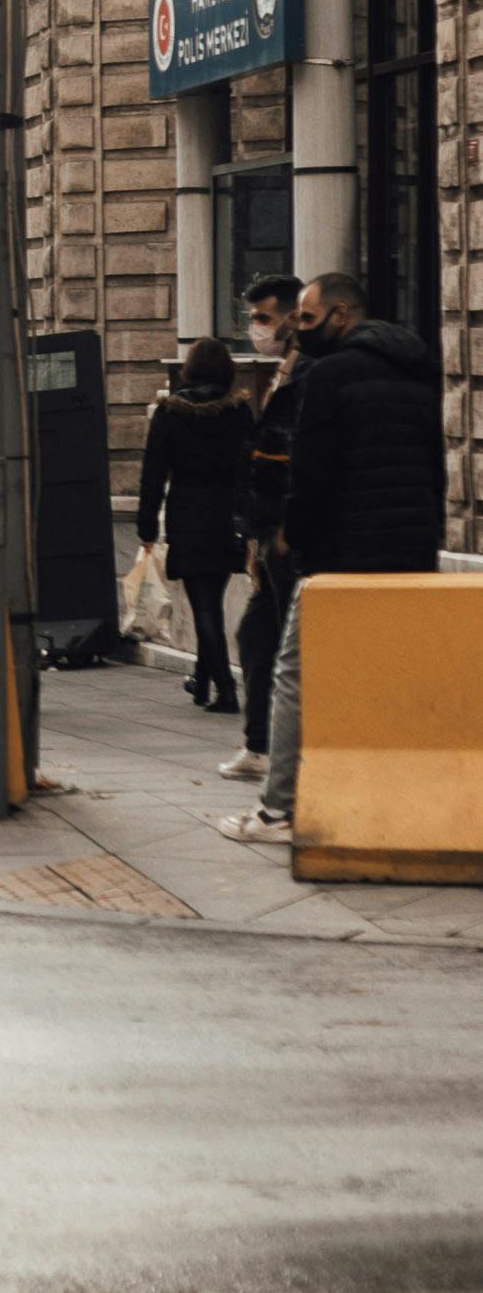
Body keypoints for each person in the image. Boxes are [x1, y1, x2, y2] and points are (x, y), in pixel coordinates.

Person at [221, 269, 445, 854]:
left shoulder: (329, 373)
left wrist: (292, 537)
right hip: (413, 549)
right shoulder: (419, 368)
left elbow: (311, 471)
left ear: (342, 317)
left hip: (344, 552)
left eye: (309, 319)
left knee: (294, 671)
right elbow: (433, 460)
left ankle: (279, 809)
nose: (300, 329)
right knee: (395, 672)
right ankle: (401, 797)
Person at [135, 335, 250, 715]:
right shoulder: (238, 412)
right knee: (211, 599)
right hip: (225, 515)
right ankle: (202, 682)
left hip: (187, 512)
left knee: (204, 606)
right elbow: (249, 468)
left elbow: (153, 473)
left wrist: (147, 525)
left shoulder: (170, 413)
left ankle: (227, 690)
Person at [224, 279, 301, 784]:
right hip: (270, 530)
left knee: (279, 643)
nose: (257, 329)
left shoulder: (307, 374)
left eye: (265, 318)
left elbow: (292, 459)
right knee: (257, 635)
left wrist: (280, 528)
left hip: (286, 533)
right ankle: (260, 746)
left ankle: (277, 756)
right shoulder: (285, 371)